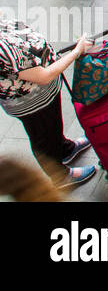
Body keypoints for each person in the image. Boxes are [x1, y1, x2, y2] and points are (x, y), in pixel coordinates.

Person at [0, 17, 97, 187]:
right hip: (31, 102)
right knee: (43, 137)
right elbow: (43, 77)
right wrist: (77, 50)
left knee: (52, 127)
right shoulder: (2, 50)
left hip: (43, 94)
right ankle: (60, 176)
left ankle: (64, 149)